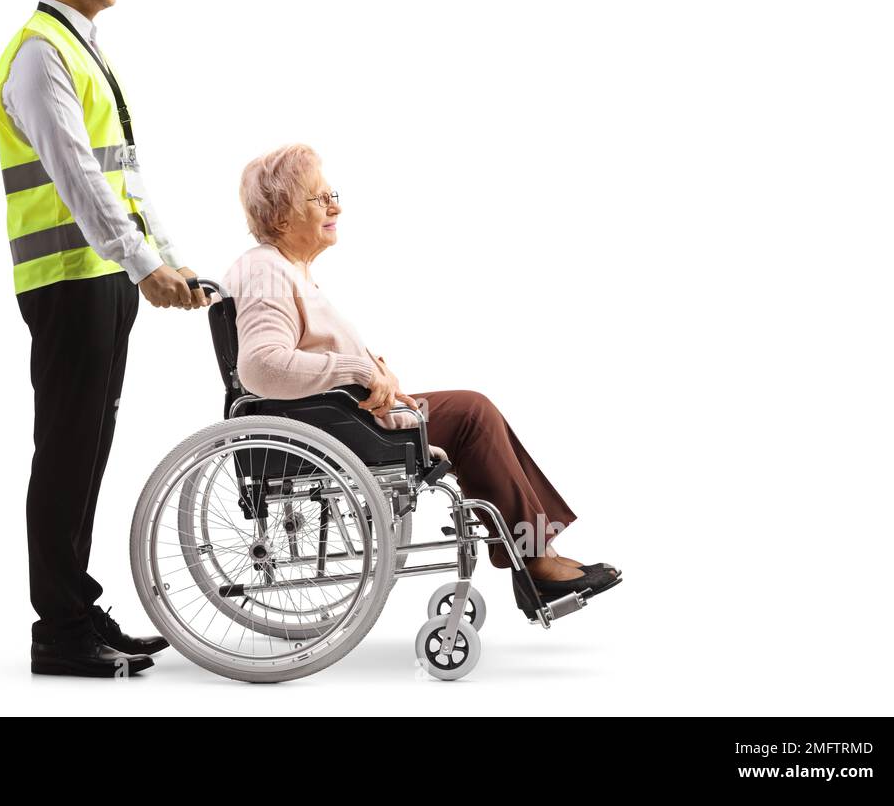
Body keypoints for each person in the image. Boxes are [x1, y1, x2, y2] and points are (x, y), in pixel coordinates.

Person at [222, 143, 621, 612]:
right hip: (329, 427)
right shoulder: (265, 271)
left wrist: (373, 372)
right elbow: (262, 367)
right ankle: (534, 561)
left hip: (345, 417)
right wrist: (358, 369)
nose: (336, 206)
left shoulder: (285, 269)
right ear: (282, 217)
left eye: (333, 193)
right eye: (319, 198)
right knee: (471, 412)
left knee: (474, 410)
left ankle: (535, 554)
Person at [0, 0, 211, 677]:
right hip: (70, 280)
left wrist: (163, 256)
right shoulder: (39, 53)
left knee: (87, 450)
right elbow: (75, 175)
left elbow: (125, 179)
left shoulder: (85, 51)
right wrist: (142, 263)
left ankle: (78, 611)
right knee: (67, 452)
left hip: (104, 277)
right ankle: (59, 632)